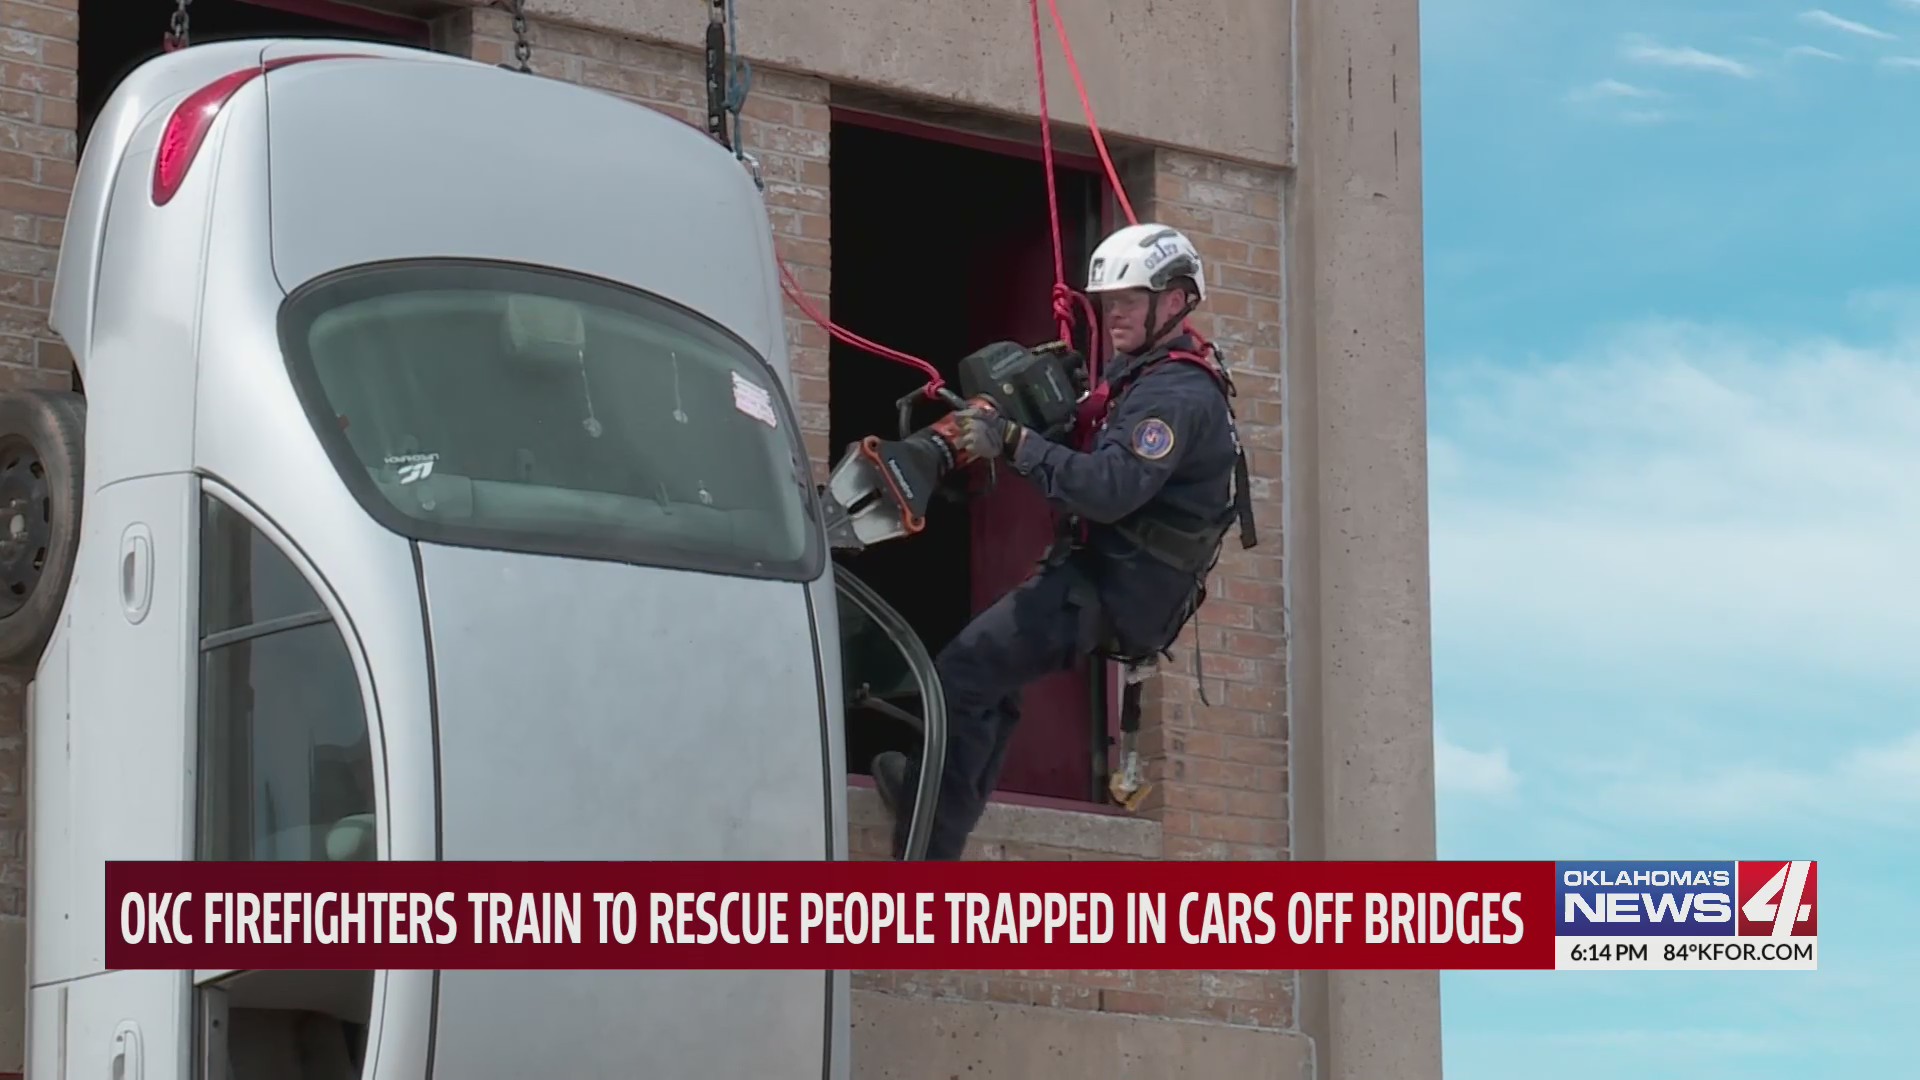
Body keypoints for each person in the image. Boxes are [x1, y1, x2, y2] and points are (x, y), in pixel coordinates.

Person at [868, 223, 1255, 860]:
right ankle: (937, 805)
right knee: (988, 680)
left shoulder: (1177, 395)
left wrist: (1016, 442)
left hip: (1119, 585)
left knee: (961, 676)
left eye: (1129, 300)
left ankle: (927, 850)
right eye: (1108, 301)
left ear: (1175, 300)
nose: (1114, 313)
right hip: (1104, 573)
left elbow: (1107, 489)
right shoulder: (1141, 375)